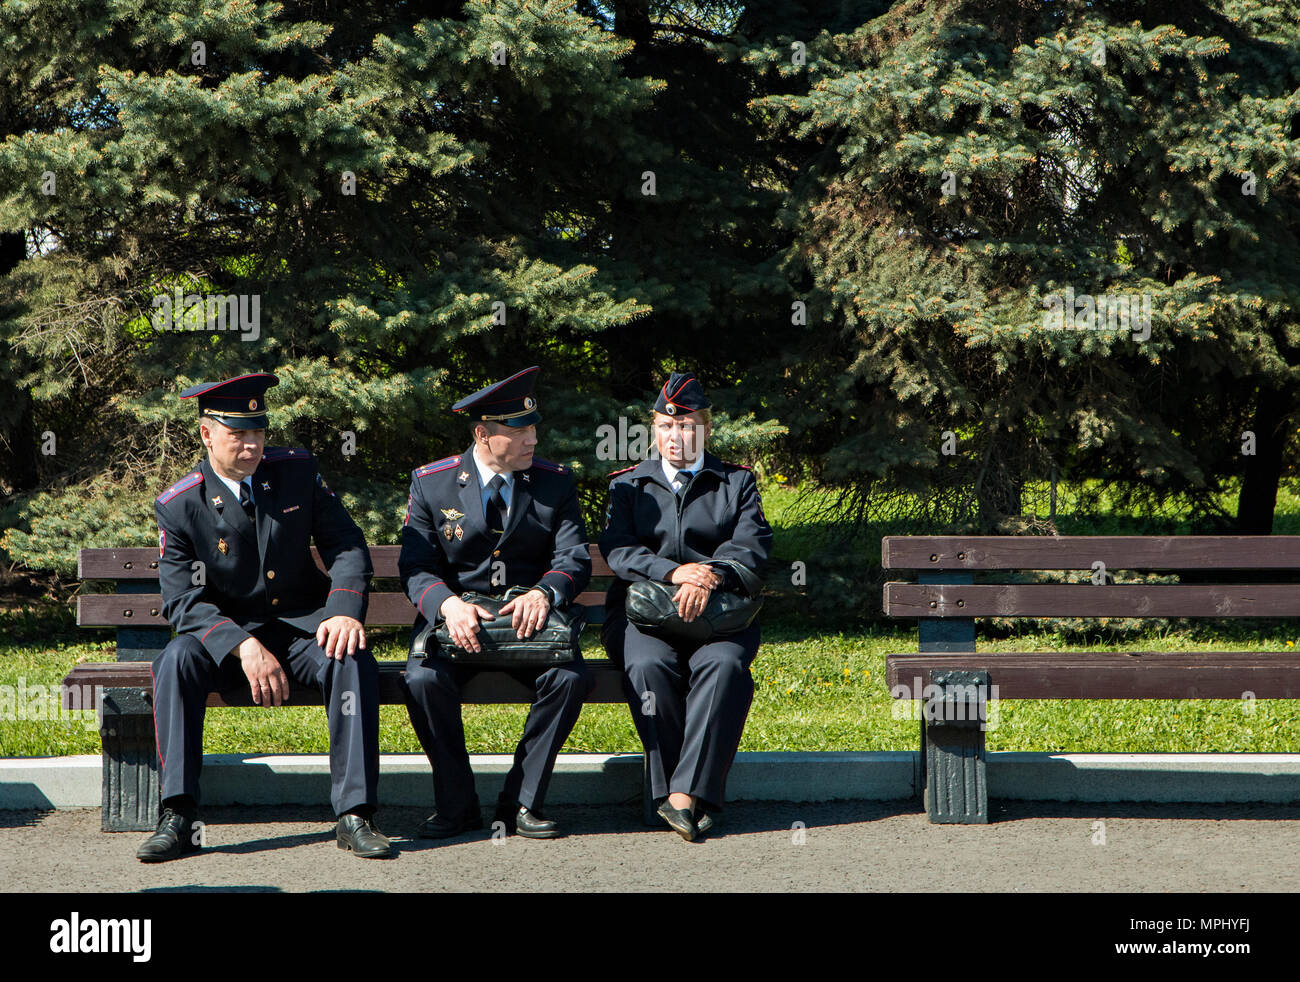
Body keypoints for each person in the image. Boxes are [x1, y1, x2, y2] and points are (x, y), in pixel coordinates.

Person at [138, 372, 390, 862]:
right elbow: (183, 600)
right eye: (238, 434)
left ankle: (355, 814)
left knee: (351, 657)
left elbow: (346, 545)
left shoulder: (296, 472)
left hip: (301, 627)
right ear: (207, 434)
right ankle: (178, 813)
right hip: (227, 639)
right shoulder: (181, 504)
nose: (252, 444)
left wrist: (341, 611)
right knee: (175, 661)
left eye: (258, 431)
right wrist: (242, 644)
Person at [400, 367, 592, 839]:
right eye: (519, 430)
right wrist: (446, 605)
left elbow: (573, 558)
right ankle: (457, 805)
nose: (532, 439)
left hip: (529, 625)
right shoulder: (433, 483)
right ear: (483, 434)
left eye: (533, 427)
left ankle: (521, 803)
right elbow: (416, 567)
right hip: (459, 624)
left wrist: (544, 592)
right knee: (423, 679)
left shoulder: (554, 482)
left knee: (569, 677)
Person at [600, 372, 772, 841]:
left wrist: (709, 575)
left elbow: (752, 547)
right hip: (642, 616)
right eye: (665, 427)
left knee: (726, 667)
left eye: (687, 426)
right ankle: (688, 794)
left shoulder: (735, 482)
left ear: (706, 430)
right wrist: (673, 573)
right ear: (654, 429)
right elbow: (618, 549)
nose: (676, 437)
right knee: (649, 667)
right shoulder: (628, 485)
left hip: (717, 617)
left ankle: (679, 797)